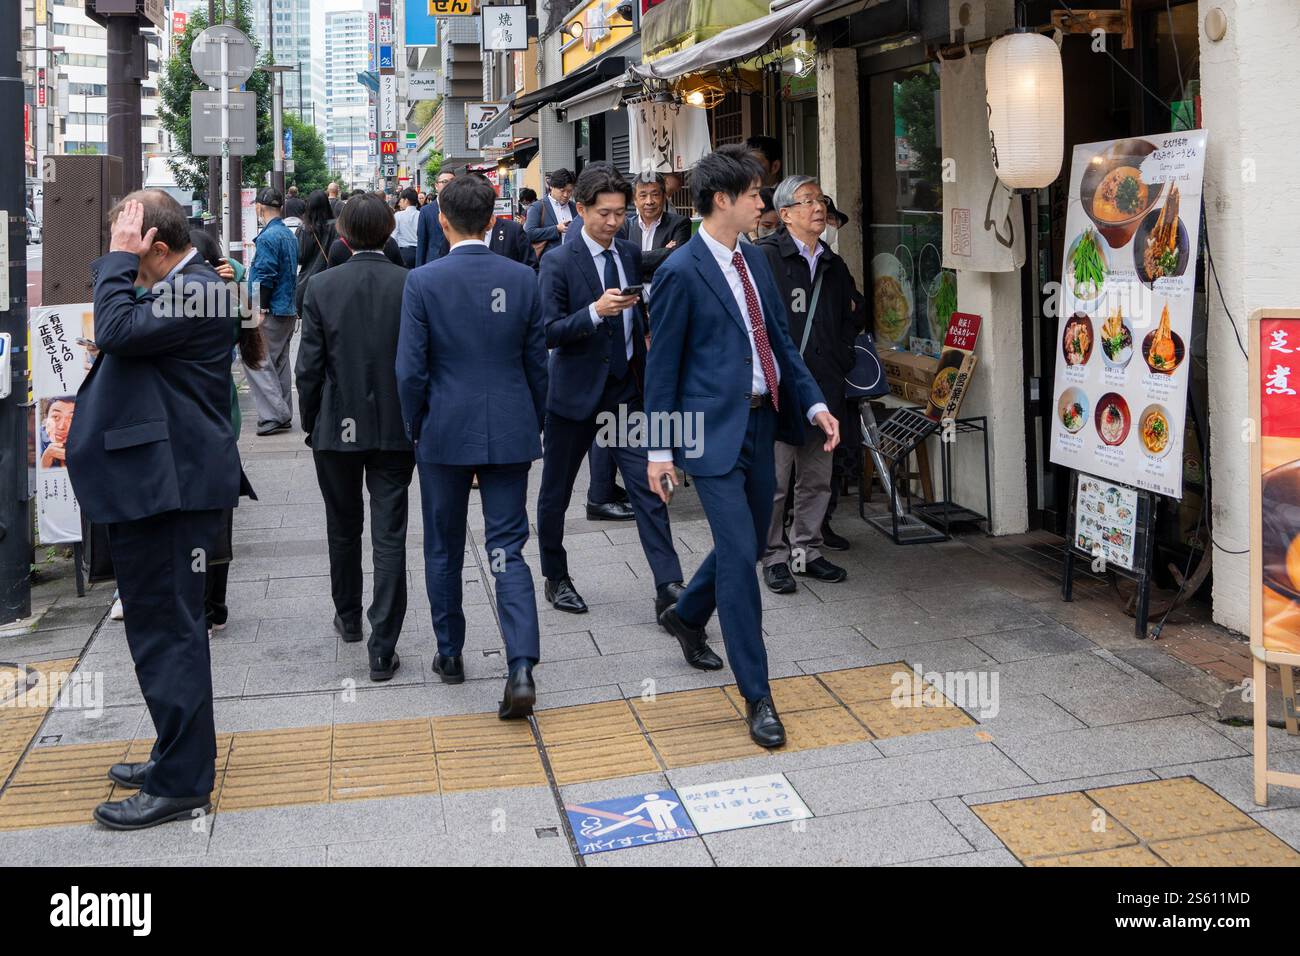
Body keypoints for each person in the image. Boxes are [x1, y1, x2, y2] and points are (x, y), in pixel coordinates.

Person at [645, 145, 839, 748]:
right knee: (739, 560)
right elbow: (662, 368)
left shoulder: (755, 262)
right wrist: (659, 451)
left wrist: (813, 402)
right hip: (709, 435)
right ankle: (758, 696)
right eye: (756, 195)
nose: (765, 204)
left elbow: (780, 343)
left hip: (764, 423)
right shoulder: (679, 272)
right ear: (723, 201)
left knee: (751, 544)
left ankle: (684, 613)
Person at [66, 191, 240, 828]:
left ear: (158, 249)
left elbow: (116, 329)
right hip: (163, 485)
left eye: (133, 253)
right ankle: (178, 754)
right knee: (166, 632)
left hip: (172, 490)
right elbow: (131, 338)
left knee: (169, 635)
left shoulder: (197, 289)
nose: (123, 263)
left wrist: (115, 259)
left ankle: (182, 780)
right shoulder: (191, 284)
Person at [396, 174, 548, 718]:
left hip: (443, 429)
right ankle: (521, 663)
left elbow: (410, 370)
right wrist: (533, 418)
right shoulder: (523, 277)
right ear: (493, 221)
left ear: (442, 220)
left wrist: (415, 425)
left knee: (442, 544)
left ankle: (450, 652)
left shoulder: (424, 282)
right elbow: (537, 363)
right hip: (509, 426)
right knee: (508, 546)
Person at [536, 165, 685, 619]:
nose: (613, 222)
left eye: (620, 213)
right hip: (573, 396)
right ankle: (556, 576)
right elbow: (548, 331)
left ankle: (669, 585)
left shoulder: (625, 250)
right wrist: (595, 312)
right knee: (556, 492)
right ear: (580, 209)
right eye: (604, 213)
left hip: (624, 391)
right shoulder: (557, 262)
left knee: (648, 488)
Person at [295, 195, 414, 680]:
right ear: (388, 231)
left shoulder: (322, 286)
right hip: (394, 426)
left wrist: (310, 419)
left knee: (342, 527)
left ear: (342, 233)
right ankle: (383, 645)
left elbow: (308, 367)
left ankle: (348, 618)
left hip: (335, 427)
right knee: (390, 533)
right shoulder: (411, 283)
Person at [756, 176, 858, 594]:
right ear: (785, 215)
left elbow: (854, 314)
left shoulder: (833, 263)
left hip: (825, 387)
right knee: (776, 481)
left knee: (817, 477)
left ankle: (806, 550)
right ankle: (773, 556)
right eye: (808, 201)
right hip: (780, 390)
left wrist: (839, 359)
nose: (819, 208)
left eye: (822, 200)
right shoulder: (764, 258)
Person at [189, 227, 265, 634]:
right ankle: (215, 605)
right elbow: (251, 328)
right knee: (217, 514)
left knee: (198, 516)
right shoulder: (230, 297)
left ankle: (205, 606)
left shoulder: (181, 302)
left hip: (194, 423)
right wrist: (234, 281)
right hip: (223, 418)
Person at [244, 186, 299, 436]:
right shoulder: (288, 234)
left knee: (256, 359)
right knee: (278, 362)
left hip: (271, 307)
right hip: (287, 307)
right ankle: (282, 411)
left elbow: (265, 274)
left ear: (259, 207)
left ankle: (275, 415)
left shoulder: (267, 238)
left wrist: (259, 308)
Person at [619, 171, 691, 285]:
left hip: (666, 295)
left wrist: (635, 260)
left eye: (655, 194)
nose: (649, 201)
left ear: (664, 196)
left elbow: (677, 260)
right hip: (635, 299)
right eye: (643, 195)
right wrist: (665, 251)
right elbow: (620, 260)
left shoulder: (680, 224)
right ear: (635, 200)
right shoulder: (625, 225)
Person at [296, 189, 337, 315]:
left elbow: (300, 257)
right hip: (334, 281)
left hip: (309, 283)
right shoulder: (338, 227)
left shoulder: (305, 229)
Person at [524, 168, 576, 259]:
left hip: (573, 261)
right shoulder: (538, 207)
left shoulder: (575, 208)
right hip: (549, 262)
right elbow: (529, 233)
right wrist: (556, 229)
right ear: (551, 186)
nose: (566, 195)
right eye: (562, 190)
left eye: (569, 191)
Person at [416, 169, 456, 265]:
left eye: (452, 181)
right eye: (444, 182)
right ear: (436, 186)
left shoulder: (462, 207)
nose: (449, 185)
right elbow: (422, 243)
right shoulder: (426, 211)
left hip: (455, 263)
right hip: (433, 262)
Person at [39, 398, 75, 468]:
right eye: (56, 417)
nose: (61, 427)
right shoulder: (37, 437)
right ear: (46, 419)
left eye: (72, 418)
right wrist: (45, 459)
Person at [393, 187, 421, 267]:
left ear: (406, 200)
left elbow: (394, 236)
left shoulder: (398, 215)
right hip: (419, 252)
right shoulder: (421, 214)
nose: (399, 203)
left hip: (404, 253)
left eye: (401, 200)